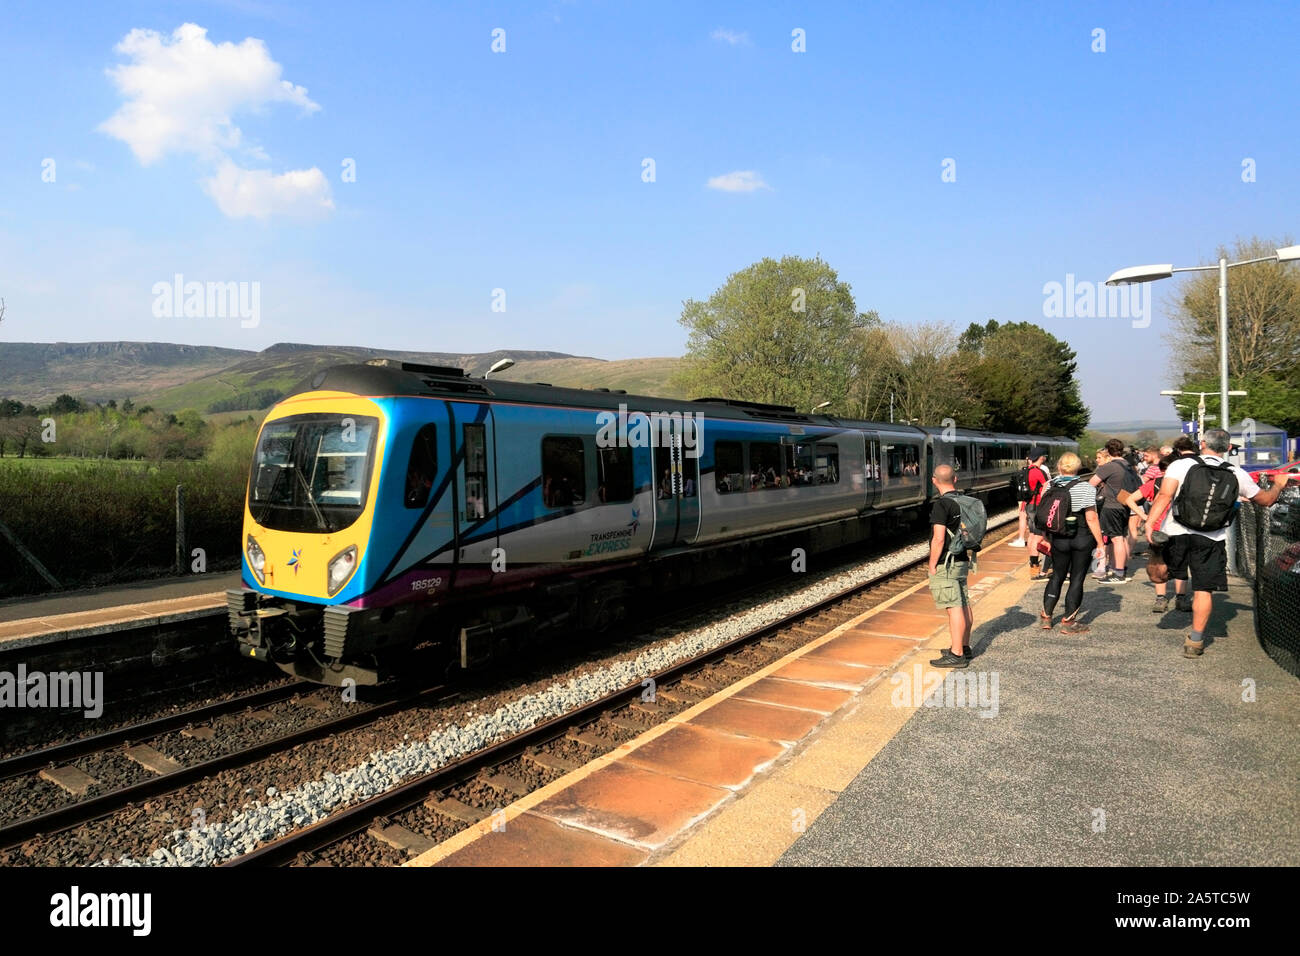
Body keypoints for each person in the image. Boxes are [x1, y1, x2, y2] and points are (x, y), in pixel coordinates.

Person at [1147, 427, 1292, 658]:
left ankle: (1158, 565)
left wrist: (1150, 523)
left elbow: (1164, 495)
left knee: (1160, 574)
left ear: (1202, 443)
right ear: (1228, 448)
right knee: (1203, 590)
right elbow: (1265, 500)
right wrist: (1278, 485)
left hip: (1175, 530)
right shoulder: (1237, 473)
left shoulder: (1180, 465)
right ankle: (1195, 641)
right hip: (1211, 537)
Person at [1040, 452, 1105, 634]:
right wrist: (1100, 543)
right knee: (1077, 578)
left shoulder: (1049, 485)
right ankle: (1068, 622)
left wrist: (1045, 536)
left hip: (1059, 537)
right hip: (1082, 537)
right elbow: (1091, 518)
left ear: (1059, 467)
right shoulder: (1086, 488)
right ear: (1078, 468)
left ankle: (1046, 616)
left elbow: (1045, 513)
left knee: (1057, 575)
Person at [927, 464, 974, 669]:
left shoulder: (941, 505)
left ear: (934, 481)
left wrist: (932, 564)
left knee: (953, 607)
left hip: (946, 562)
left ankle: (956, 654)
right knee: (963, 602)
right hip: (962, 559)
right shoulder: (964, 501)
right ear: (955, 479)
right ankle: (964, 646)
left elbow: (938, 539)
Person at [1090, 438, 1138, 582]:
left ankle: (1118, 572)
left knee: (1114, 539)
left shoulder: (1110, 466)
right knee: (1121, 538)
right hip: (1124, 505)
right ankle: (1118, 567)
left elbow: (1091, 483)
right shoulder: (1127, 465)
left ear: (1109, 451)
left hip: (1110, 506)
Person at [1024, 448, 1052, 579]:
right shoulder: (1039, 472)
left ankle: (1032, 566)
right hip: (1038, 506)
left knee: (1032, 535)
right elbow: (1047, 489)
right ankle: (1037, 569)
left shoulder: (1026, 471)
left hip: (1029, 505)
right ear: (1041, 457)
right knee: (1038, 536)